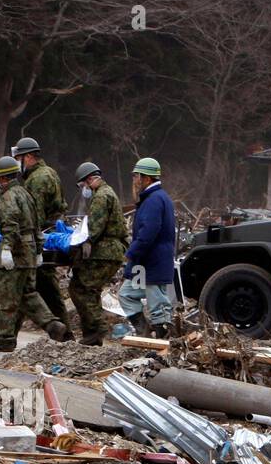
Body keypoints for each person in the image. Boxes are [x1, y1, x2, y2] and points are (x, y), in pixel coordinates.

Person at [0, 155, 68, 352]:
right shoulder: (26, 194)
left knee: (3, 295)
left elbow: (11, 226)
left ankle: (4, 339)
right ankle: (53, 325)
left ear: (2, 178)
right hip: (30, 252)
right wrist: (38, 250)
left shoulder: (8, 197)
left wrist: (6, 249)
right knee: (27, 295)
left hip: (16, 252)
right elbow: (37, 224)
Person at [13, 136, 71, 334]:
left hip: (42, 238)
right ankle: (63, 331)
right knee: (40, 288)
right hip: (48, 236)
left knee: (29, 287)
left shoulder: (37, 179)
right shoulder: (49, 173)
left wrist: (30, 243)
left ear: (28, 157)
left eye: (19, 157)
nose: (17, 163)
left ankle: (9, 336)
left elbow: (33, 216)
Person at [68, 161, 129, 344]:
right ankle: (91, 336)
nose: (83, 189)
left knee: (80, 288)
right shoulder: (106, 193)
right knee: (91, 290)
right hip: (110, 252)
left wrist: (75, 241)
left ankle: (97, 329)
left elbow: (94, 229)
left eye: (82, 185)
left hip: (105, 253)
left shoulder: (102, 196)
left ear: (89, 179)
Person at [120, 157, 176, 339]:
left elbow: (148, 232)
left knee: (157, 304)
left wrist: (131, 253)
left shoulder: (154, 200)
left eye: (137, 176)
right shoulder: (154, 198)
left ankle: (163, 342)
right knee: (126, 294)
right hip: (145, 263)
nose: (134, 181)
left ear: (147, 178)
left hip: (153, 262)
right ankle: (144, 333)